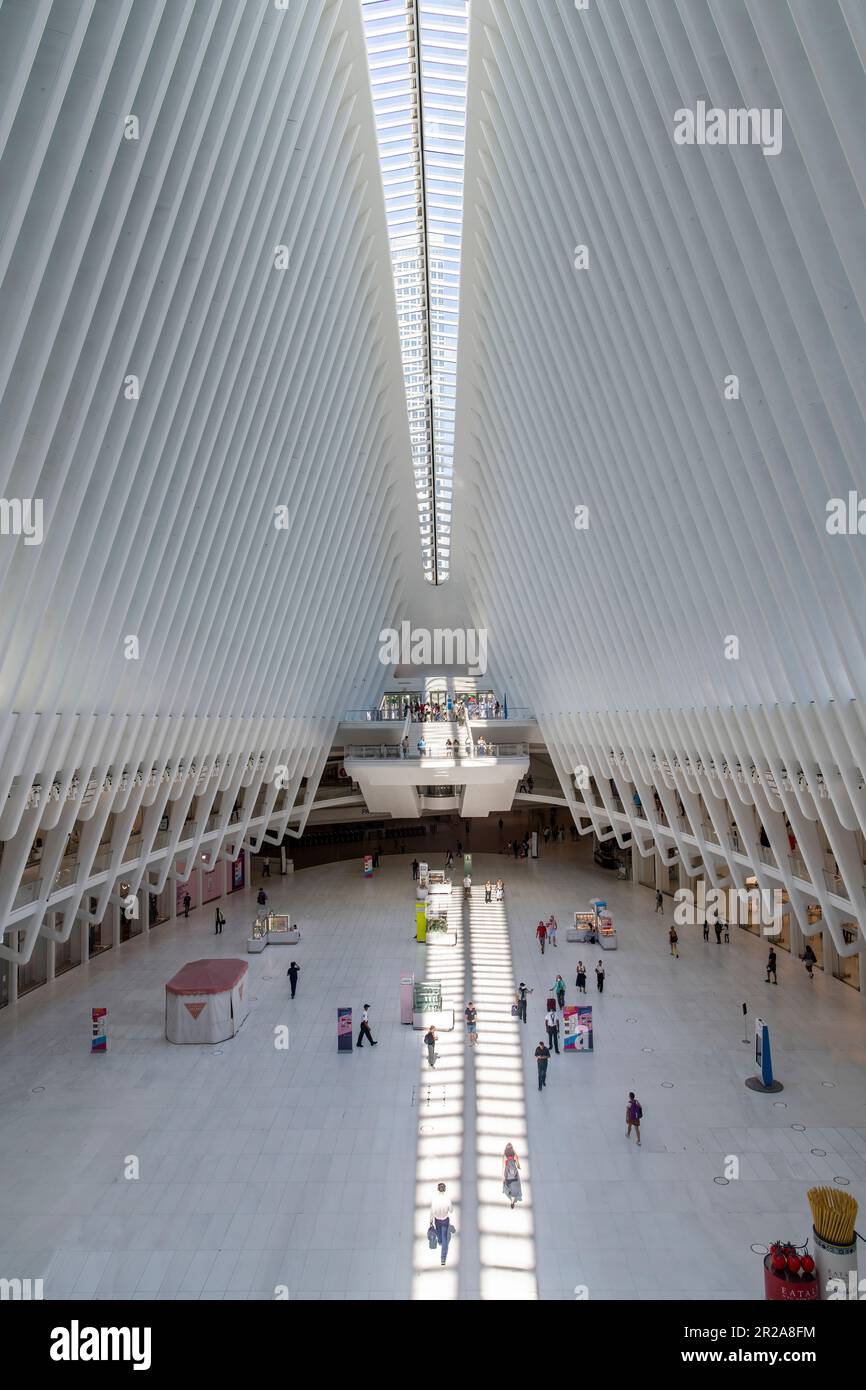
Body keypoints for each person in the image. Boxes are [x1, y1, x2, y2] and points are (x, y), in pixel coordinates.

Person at [429, 1183, 454, 1266]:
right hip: (445, 1220)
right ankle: (443, 1258)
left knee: (439, 1232)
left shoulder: (434, 1200)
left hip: (437, 1220)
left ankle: (439, 1241)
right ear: (445, 1189)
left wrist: (430, 1221)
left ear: (438, 1189)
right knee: (445, 1237)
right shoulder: (447, 1200)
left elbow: (432, 1212)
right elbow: (451, 1210)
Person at [502, 1144, 522, 1208]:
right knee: (515, 1186)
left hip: (507, 1173)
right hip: (514, 1174)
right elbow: (517, 1159)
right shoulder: (513, 1153)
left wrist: (503, 1176)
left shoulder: (505, 1154)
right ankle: (513, 1199)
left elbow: (503, 1165)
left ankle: (511, 1197)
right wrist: (518, 1166)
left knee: (508, 1185)